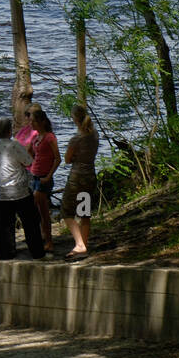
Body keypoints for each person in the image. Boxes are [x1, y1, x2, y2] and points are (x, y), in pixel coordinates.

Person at [0, 117, 46, 259]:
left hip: (0, 191)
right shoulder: (14, 145)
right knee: (30, 222)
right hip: (18, 190)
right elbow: (28, 161)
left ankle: (8, 252)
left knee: (6, 224)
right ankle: (37, 252)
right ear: (9, 130)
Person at [62, 105, 100, 260]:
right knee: (84, 212)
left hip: (77, 177)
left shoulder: (77, 139)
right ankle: (83, 245)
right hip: (90, 175)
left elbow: (67, 159)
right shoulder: (94, 135)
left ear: (75, 119)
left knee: (66, 210)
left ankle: (79, 244)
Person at [27, 108, 61, 257]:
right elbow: (30, 152)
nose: (30, 123)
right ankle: (43, 235)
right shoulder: (36, 137)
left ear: (41, 121)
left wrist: (48, 176)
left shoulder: (49, 137)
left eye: (33, 120)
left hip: (43, 178)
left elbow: (57, 158)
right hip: (34, 177)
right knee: (37, 210)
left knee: (43, 211)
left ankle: (49, 241)